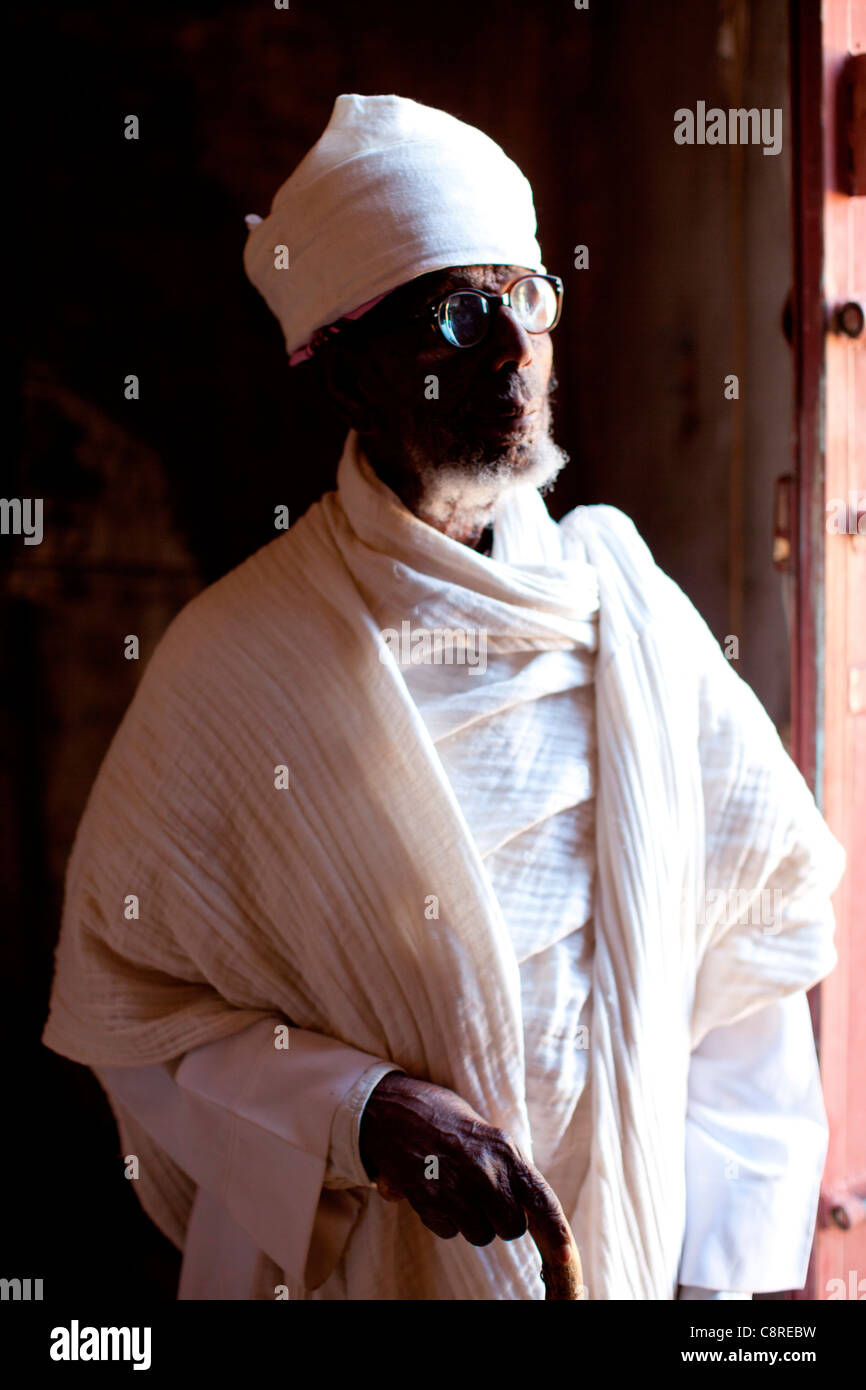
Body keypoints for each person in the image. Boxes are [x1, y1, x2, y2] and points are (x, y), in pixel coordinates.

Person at [42, 93, 845, 1301]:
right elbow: (142, 1014)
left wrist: (710, 1282)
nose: (515, 353)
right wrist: (358, 1111)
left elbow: (745, 972)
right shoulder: (233, 665)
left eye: (529, 300)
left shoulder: (624, 611)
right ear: (349, 374)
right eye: (461, 316)